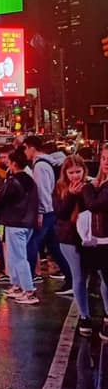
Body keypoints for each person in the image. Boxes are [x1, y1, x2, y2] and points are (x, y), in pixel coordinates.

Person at [0, 146, 39, 305]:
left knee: (18, 257)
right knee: (15, 256)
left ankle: (28, 290)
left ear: (13, 163)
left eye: (8, 161)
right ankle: (18, 286)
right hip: (27, 222)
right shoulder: (29, 180)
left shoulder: (13, 181)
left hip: (15, 222)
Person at [53, 156, 95, 335]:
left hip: (92, 237)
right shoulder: (60, 188)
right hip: (69, 238)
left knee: (97, 276)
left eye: (78, 172)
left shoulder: (92, 185)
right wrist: (71, 195)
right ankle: (85, 316)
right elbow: (60, 213)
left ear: (84, 171)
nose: (75, 176)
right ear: (65, 173)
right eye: (71, 173)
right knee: (78, 277)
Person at [24, 135, 71, 290]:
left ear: (32, 148)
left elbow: (43, 192)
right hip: (50, 212)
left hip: (46, 213)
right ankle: (71, 279)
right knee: (54, 248)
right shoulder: (45, 163)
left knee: (32, 244)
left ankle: (27, 282)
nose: (25, 152)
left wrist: (40, 213)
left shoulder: (40, 166)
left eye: (25, 148)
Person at [81, 143, 108, 341]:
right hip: (100, 239)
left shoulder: (99, 186)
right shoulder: (101, 182)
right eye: (104, 158)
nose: (106, 163)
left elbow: (93, 205)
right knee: (104, 280)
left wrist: (88, 188)